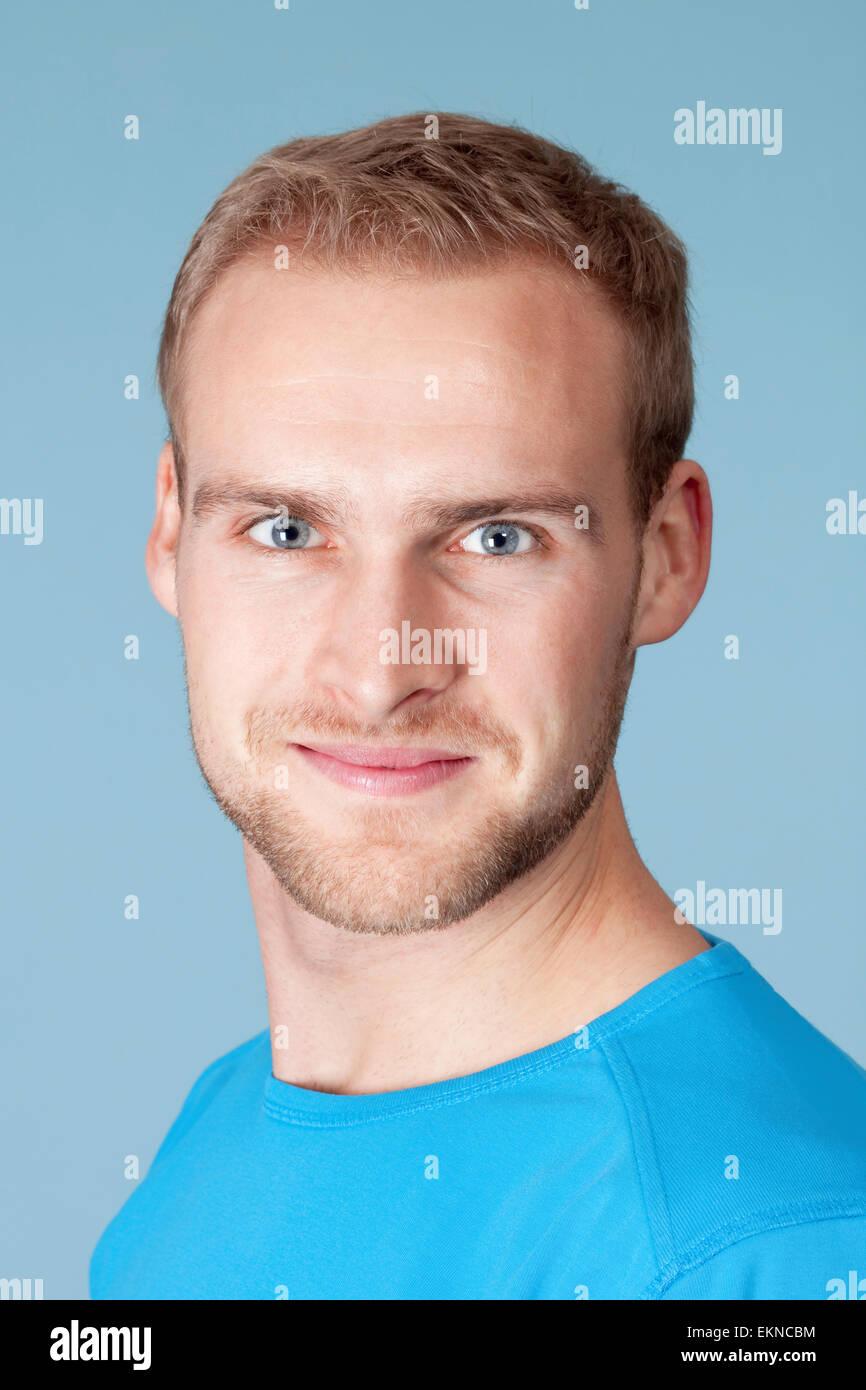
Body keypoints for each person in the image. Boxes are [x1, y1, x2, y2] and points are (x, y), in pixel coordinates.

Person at [90, 112, 866, 1300]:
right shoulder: (220, 1135)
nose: (379, 666)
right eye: (286, 529)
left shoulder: (775, 1251)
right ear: (168, 529)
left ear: (665, 554)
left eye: (496, 535)